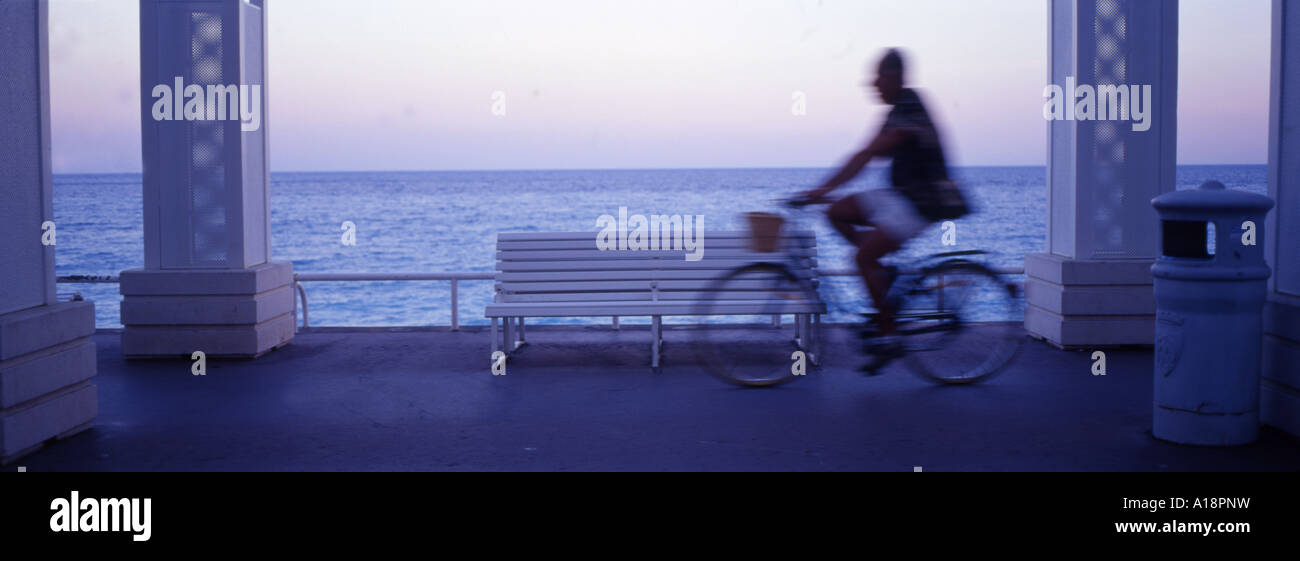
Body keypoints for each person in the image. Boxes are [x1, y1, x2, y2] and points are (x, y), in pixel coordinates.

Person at [797, 48, 967, 366]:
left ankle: (888, 334)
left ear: (895, 77)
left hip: (924, 202)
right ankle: (881, 274)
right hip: (899, 195)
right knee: (836, 212)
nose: (873, 84)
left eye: (878, 77)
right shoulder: (894, 112)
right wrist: (825, 193)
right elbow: (864, 152)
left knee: (862, 257)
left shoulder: (910, 109)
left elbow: (869, 154)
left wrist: (823, 187)